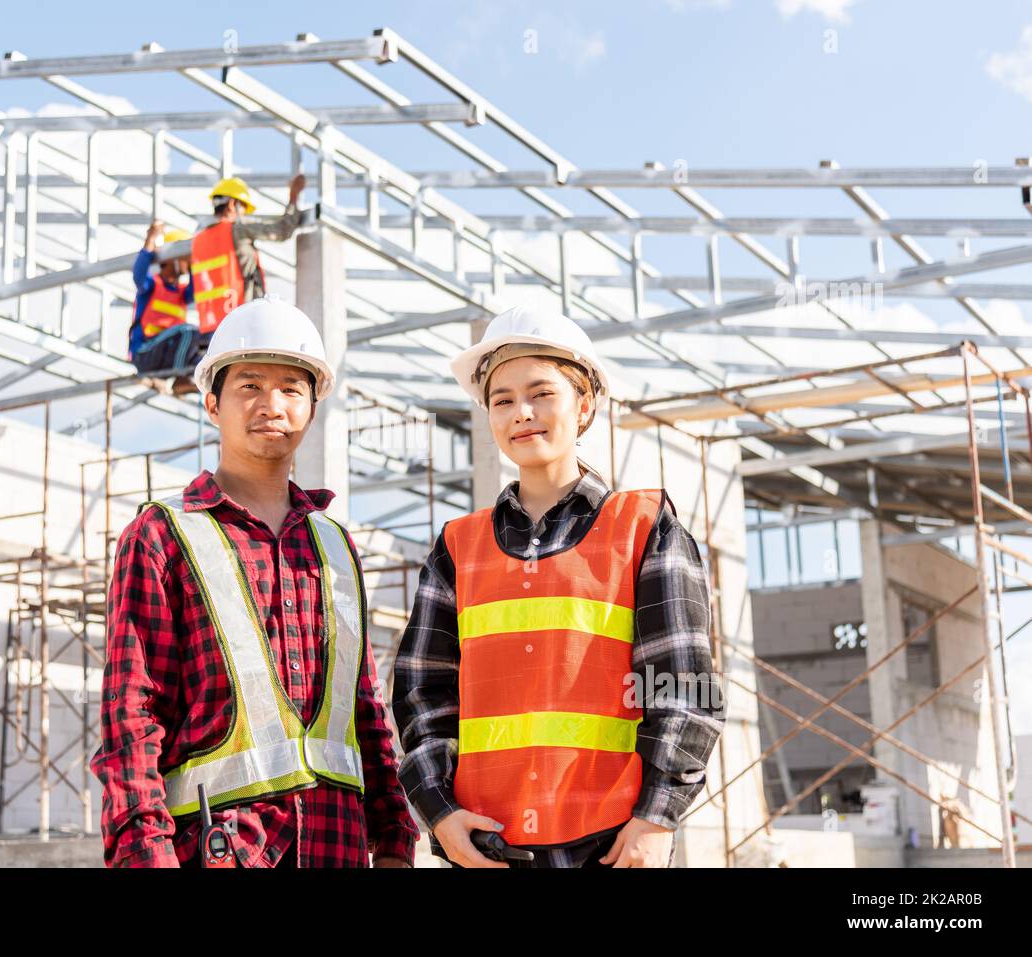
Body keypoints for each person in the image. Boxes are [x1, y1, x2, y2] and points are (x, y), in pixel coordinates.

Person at [392, 304, 726, 869]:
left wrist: (656, 818)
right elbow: (422, 696)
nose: (521, 413)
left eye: (541, 393)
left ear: (584, 405)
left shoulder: (644, 527)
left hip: (613, 846)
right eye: (502, 400)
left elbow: (685, 688)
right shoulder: (457, 547)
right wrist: (440, 813)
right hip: (488, 848)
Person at [92, 295, 418, 868]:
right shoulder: (163, 536)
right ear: (212, 403)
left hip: (335, 847)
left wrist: (394, 840)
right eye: (249, 386)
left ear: (313, 408)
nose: (272, 404)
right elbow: (132, 715)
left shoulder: (336, 548)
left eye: (293, 388)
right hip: (220, 851)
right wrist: (145, 854)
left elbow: (364, 709)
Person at [189, 173, 305, 341]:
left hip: (209, 329)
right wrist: (294, 197)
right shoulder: (238, 229)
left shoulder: (198, 240)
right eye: (243, 207)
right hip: (239, 324)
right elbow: (281, 230)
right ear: (232, 204)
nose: (243, 214)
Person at [128, 222, 198, 386]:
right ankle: (181, 378)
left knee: (203, 342)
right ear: (172, 259)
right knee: (188, 330)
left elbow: (196, 290)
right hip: (144, 352)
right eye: (184, 259)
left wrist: (194, 262)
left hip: (164, 355)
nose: (187, 264)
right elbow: (139, 275)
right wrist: (150, 239)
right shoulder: (152, 285)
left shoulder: (181, 293)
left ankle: (185, 375)